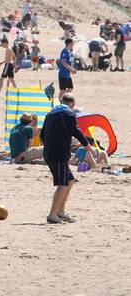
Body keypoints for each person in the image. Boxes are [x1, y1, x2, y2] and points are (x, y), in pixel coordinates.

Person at [41, 93, 94, 225]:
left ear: (61, 101)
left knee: (70, 181)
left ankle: (61, 212)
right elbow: (76, 131)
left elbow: (42, 135)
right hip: (57, 154)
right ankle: (53, 214)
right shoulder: (69, 114)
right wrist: (89, 148)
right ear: (73, 104)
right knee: (63, 183)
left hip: (50, 152)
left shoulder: (50, 113)